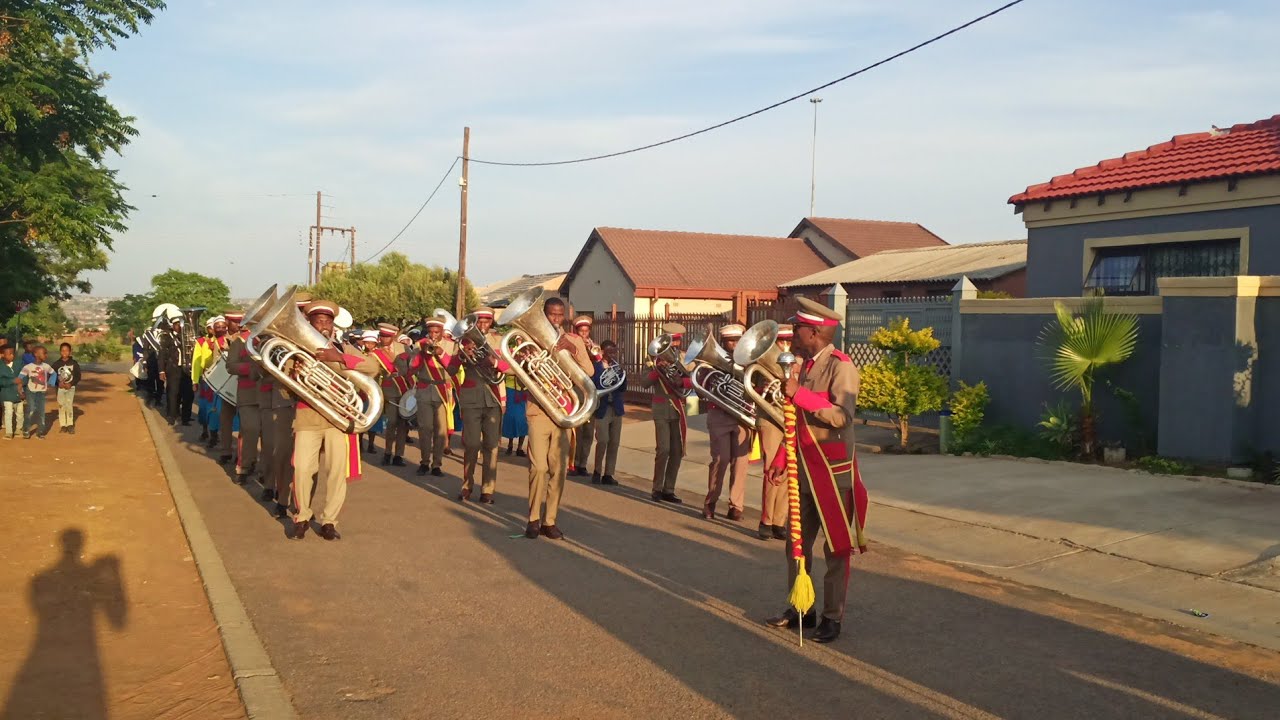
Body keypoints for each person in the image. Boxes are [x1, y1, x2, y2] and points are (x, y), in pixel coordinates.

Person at [762, 298, 867, 644]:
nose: (794, 335)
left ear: (815, 332)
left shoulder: (841, 366)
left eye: (800, 329)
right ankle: (800, 606)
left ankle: (832, 617)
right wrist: (779, 459)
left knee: (835, 548)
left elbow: (841, 416)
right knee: (796, 543)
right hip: (803, 466)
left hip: (832, 470)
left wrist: (802, 395)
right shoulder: (804, 366)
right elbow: (793, 422)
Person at [289, 300, 379, 541]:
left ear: (333, 324)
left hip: (338, 418)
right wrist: (294, 375)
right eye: (318, 321)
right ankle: (303, 517)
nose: (323, 325)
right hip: (307, 415)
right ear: (309, 323)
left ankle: (329, 521)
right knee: (302, 469)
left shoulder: (344, 347)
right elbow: (282, 388)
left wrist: (339, 357)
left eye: (327, 321)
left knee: (336, 471)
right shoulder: (297, 349)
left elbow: (373, 367)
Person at [524, 296, 593, 540]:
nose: (555, 319)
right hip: (538, 410)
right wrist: (527, 359)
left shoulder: (573, 339)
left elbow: (589, 372)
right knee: (539, 467)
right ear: (543, 315)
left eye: (559, 315)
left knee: (559, 469)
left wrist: (573, 350)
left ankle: (549, 521)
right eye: (551, 315)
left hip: (563, 409)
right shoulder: (528, 338)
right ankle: (533, 518)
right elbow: (511, 367)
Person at [449, 308, 510, 503]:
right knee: (472, 444)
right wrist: (460, 356)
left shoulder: (499, 341)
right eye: (479, 321)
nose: (482, 324)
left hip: (494, 397)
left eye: (486, 321)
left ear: (491, 322)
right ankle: (467, 485)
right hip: (471, 398)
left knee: (491, 446)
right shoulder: (462, 341)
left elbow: (510, 369)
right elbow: (450, 370)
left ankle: (488, 490)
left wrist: (494, 362)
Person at [703, 324, 751, 521]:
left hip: (741, 417)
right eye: (730, 341)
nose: (734, 345)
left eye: (738, 341)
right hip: (719, 415)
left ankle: (736, 505)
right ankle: (710, 502)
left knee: (741, 462)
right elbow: (700, 389)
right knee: (720, 460)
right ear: (723, 343)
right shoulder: (711, 363)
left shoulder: (750, 362)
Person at [639, 322, 689, 504]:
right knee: (664, 449)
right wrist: (657, 370)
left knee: (677, 451)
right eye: (672, 341)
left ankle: (669, 489)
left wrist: (681, 381)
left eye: (677, 342)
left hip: (679, 407)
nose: (675, 345)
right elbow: (644, 382)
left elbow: (691, 381)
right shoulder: (652, 358)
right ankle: (657, 488)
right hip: (661, 407)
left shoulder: (683, 358)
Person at [757, 323, 793, 540]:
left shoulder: (796, 360)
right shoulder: (760, 358)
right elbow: (748, 389)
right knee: (772, 469)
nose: (785, 346)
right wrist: (766, 391)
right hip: (770, 418)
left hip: (790, 417)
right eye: (781, 342)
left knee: (790, 472)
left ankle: (780, 521)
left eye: (788, 341)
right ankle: (766, 520)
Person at [410, 318, 454, 477]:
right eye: (431, 332)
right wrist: (422, 353)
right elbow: (412, 368)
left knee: (441, 430)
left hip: (441, 388)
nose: (433, 335)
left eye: (437, 332)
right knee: (425, 428)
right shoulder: (420, 344)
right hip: (424, 389)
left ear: (442, 331)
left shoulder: (450, 345)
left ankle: (437, 464)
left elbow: (453, 368)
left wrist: (441, 353)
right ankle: (424, 462)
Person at [225, 312, 260, 484]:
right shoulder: (239, 341)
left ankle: (266, 472)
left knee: (269, 436)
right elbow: (230, 366)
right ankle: (244, 466)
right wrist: (253, 368)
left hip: (269, 394)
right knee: (250, 430)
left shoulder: (269, 339)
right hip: (248, 394)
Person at [370, 323, 409, 466]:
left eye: (386, 336)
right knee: (391, 423)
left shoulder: (403, 348)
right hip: (390, 390)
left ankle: (399, 455)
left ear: (393, 336)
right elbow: (373, 372)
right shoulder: (375, 353)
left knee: (403, 425)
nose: (383, 339)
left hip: (405, 390)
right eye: (381, 336)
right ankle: (387, 453)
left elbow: (411, 366)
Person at [568, 315, 599, 476]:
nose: (584, 335)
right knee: (576, 431)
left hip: (591, 391)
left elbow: (599, 367)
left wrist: (593, 351)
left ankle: (583, 463)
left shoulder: (595, 347)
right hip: (577, 391)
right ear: (577, 331)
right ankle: (572, 462)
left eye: (586, 331)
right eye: (581, 331)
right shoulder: (572, 347)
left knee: (588, 431)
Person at [590, 340, 624, 485]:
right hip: (602, 407)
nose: (612, 355)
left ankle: (608, 474)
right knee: (603, 440)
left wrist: (621, 374)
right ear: (602, 352)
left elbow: (623, 388)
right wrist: (606, 374)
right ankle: (597, 471)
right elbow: (594, 384)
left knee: (614, 443)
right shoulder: (596, 367)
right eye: (609, 352)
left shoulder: (617, 367)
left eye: (613, 352)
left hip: (616, 408)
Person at [160, 316, 194, 425]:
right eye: (177, 324)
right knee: (173, 393)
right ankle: (172, 416)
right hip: (173, 369)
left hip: (187, 369)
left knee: (188, 394)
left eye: (181, 324)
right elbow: (162, 355)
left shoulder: (187, 337)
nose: (179, 326)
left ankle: (186, 418)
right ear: (173, 325)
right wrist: (161, 370)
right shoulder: (167, 337)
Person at [19, 345, 55, 439]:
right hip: (31, 392)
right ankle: (26, 429)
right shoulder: (28, 367)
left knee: (41, 413)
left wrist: (51, 383)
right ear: (36, 354)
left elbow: (54, 373)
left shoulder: (46, 366)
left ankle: (40, 432)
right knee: (30, 411)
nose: (46, 355)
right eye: (44, 353)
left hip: (41, 393)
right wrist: (20, 390)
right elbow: (20, 378)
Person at [50, 342, 83, 435]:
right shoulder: (56, 364)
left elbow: (78, 376)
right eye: (63, 350)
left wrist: (71, 383)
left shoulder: (74, 363)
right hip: (60, 388)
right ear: (60, 352)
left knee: (69, 405)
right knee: (61, 406)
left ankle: (70, 424)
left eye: (67, 350)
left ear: (70, 352)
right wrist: (58, 382)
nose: (65, 352)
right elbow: (52, 376)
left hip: (70, 388)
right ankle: (63, 425)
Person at [502, 373, 528, 456]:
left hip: (524, 389)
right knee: (511, 418)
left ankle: (519, 448)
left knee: (523, 419)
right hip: (510, 390)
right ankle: (510, 445)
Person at [1, 344, 22, 439]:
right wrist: (11, 381)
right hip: (7, 394)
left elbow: (25, 375)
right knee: (8, 412)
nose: (12, 356)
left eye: (13, 354)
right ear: (2, 355)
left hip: (19, 393)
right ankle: (9, 432)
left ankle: (19, 429)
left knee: (20, 413)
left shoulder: (19, 363)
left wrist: (22, 384)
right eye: (9, 354)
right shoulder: (1, 367)